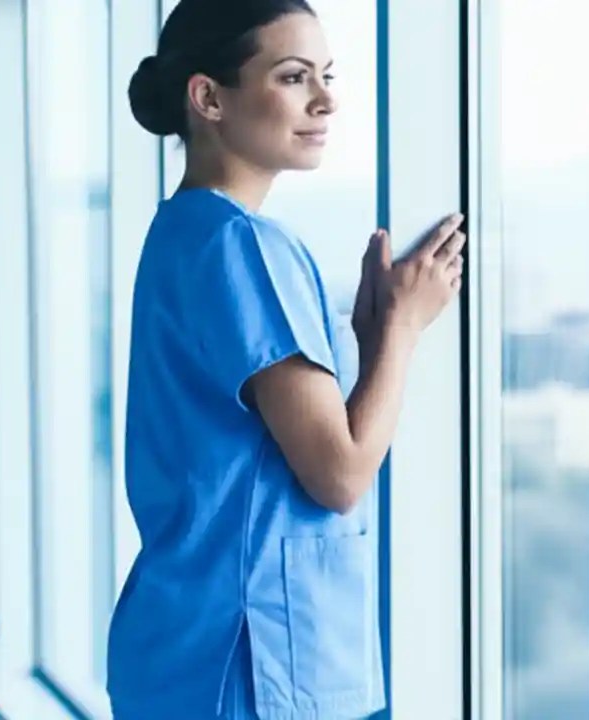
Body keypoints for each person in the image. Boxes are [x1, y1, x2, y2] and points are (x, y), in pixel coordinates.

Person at [106, 1, 465, 718]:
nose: (327, 99)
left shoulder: (180, 233)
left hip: (187, 649)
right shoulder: (246, 247)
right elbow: (339, 474)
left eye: (327, 75)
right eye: (295, 77)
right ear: (208, 98)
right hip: (256, 665)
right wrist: (401, 330)